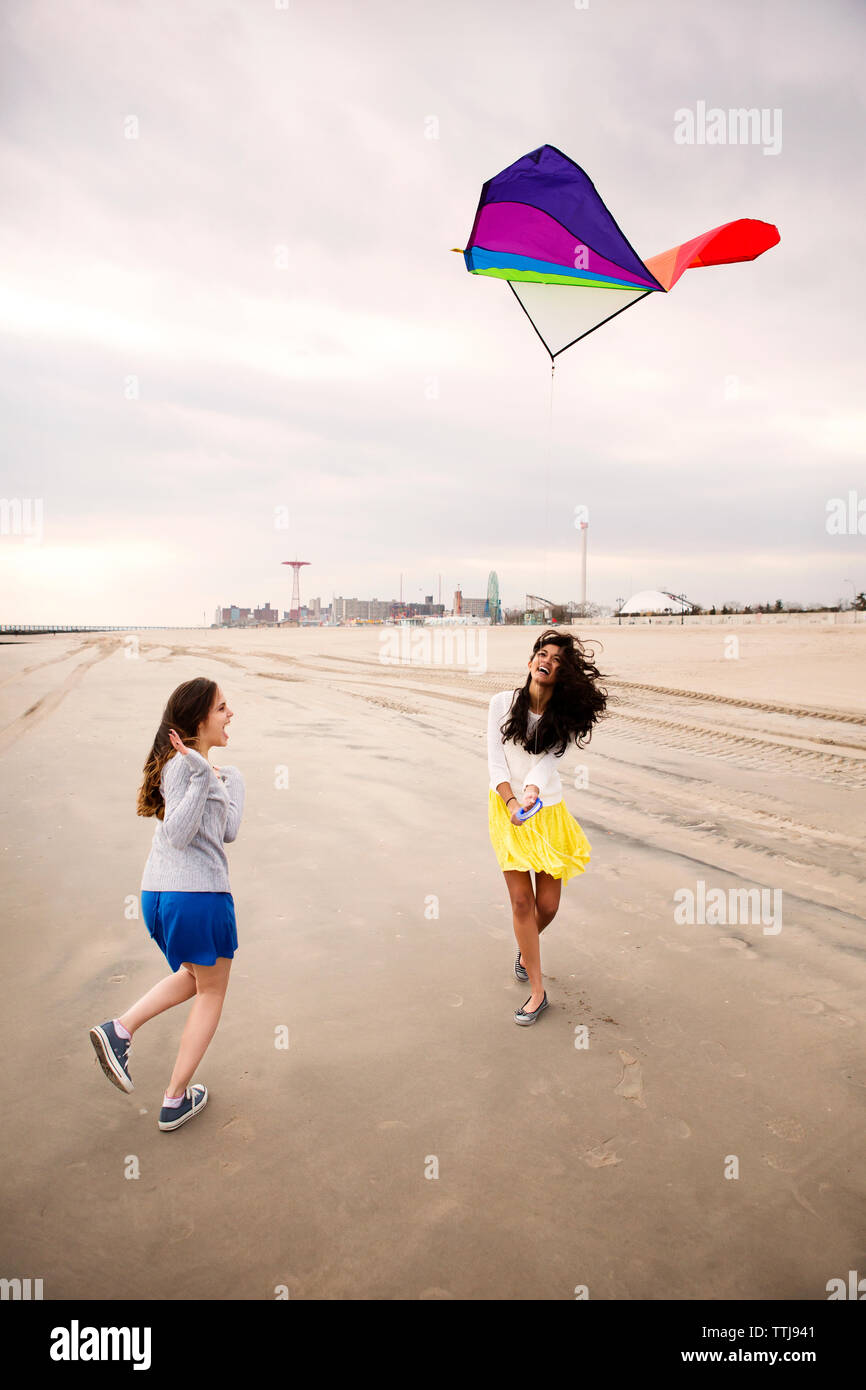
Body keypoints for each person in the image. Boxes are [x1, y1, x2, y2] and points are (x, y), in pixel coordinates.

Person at [89, 678, 245, 1131]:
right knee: (212, 991)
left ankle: (119, 1031)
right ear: (199, 719)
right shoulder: (183, 768)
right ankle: (175, 1099)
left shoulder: (204, 768)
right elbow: (177, 835)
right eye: (222, 707)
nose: (230, 713)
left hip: (162, 896)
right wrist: (201, 775)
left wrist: (226, 779)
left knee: (195, 977)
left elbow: (227, 831)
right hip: (197, 896)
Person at [487, 629, 607, 1025]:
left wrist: (532, 795)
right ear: (529, 663)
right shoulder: (501, 704)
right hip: (507, 809)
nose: (547, 661)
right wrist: (511, 803)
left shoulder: (566, 719)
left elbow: (545, 764)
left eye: (557, 660)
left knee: (548, 906)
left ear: (561, 674)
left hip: (547, 812)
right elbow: (496, 763)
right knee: (522, 903)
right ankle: (538, 992)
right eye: (543, 653)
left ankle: (525, 949)